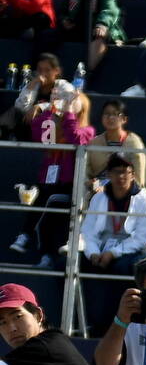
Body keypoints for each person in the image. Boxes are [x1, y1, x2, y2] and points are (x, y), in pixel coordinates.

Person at [11, 55, 93, 267]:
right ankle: (42, 252)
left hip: (70, 183)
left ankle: (26, 234)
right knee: (43, 201)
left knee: (46, 199)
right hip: (49, 179)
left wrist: (63, 113)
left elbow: (75, 136)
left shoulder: (86, 130)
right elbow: (40, 135)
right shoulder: (53, 122)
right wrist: (46, 110)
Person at [81, 153, 146, 284]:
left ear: (132, 175)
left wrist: (113, 253)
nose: (121, 176)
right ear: (108, 175)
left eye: (125, 172)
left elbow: (141, 239)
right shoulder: (98, 198)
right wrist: (92, 253)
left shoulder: (145, 201)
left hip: (132, 251)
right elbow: (88, 231)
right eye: (116, 172)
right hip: (101, 250)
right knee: (66, 263)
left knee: (121, 267)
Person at [55, 0, 123, 72]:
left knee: (99, 37)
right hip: (77, 28)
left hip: (95, 28)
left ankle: (86, 75)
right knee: (48, 35)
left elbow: (110, 9)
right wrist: (64, 20)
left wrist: (102, 24)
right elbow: (63, 11)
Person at [85, 97, 146, 189]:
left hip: (125, 191)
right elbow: (85, 174)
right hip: (97, 191)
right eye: (107, 114)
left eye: (115, 114)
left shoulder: (134, 142)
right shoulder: (94, 143)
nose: (110, 117)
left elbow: (139, 178)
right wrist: (91, 184)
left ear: (124, 119)